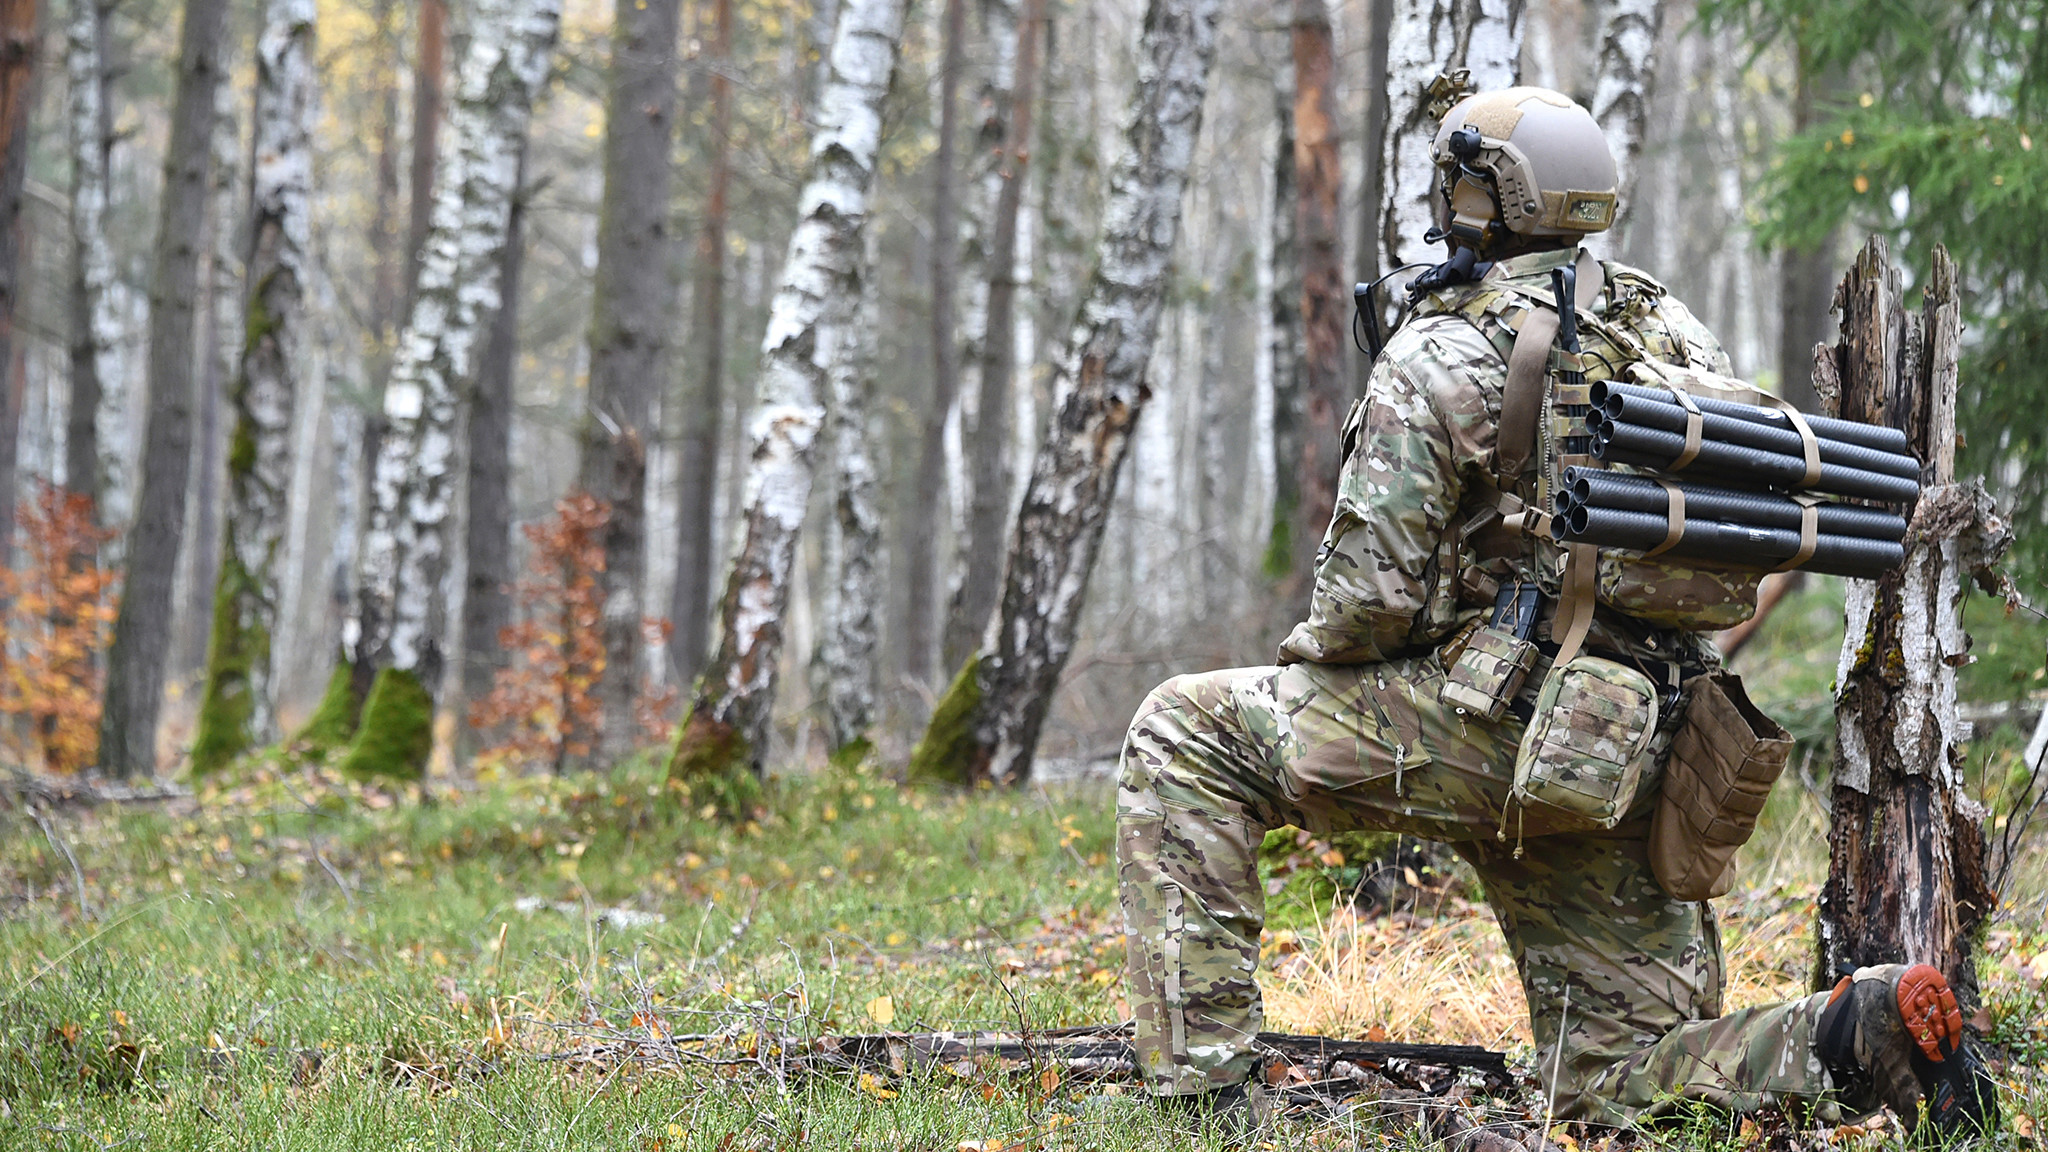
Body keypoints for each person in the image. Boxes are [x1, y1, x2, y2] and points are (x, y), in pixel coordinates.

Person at [1116, 84, 1996, 1135]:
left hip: (1485, 730)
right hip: (1638, 745)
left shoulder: (1438, 351)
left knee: (1185, 732)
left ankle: (1197, 1094)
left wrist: (1311, 659)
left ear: (1477, 200)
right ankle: (1854, 1030)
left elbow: (1366, 604)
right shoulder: (1670, 329)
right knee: (1618, 1083)